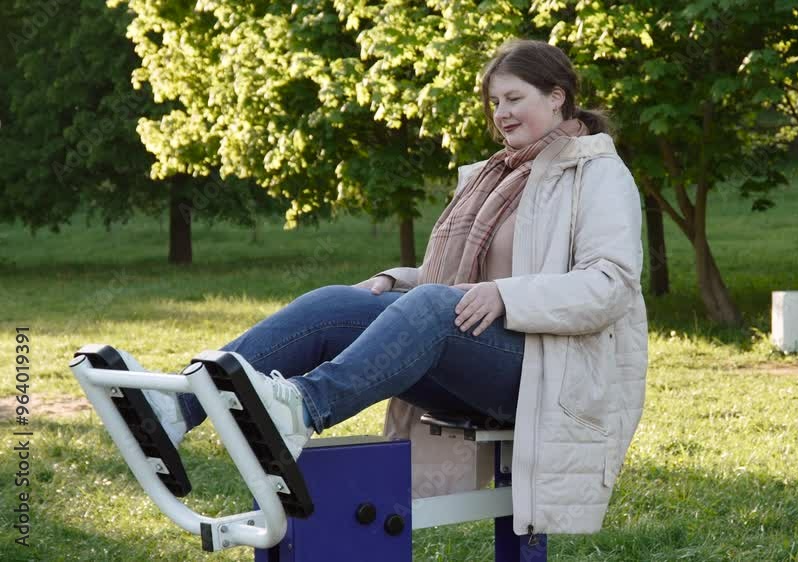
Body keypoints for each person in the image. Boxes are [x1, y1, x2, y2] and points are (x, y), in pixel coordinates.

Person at [130, 38, 648, 536]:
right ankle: (175, 410)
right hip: (479, 348)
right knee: (338, 304)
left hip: (546, 373)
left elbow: (610, 286)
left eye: (515, 98)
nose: (502, 113)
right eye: (495, 102)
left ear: (557, 97)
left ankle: (302, 408)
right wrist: (395, 279)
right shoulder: (493, 177)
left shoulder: (596, 174)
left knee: (428, 306)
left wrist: (507, 295)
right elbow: (459, 281)